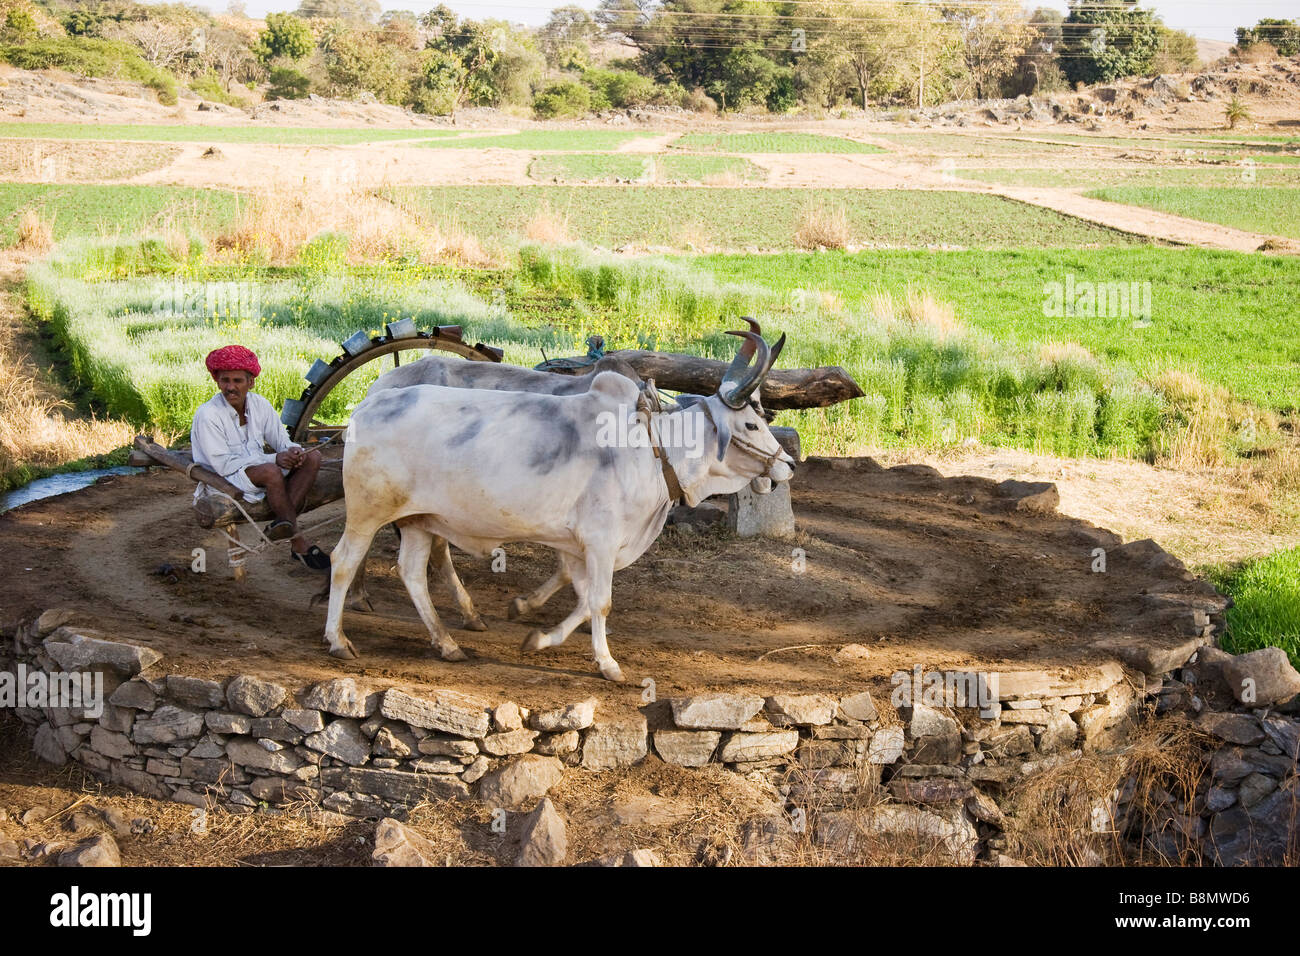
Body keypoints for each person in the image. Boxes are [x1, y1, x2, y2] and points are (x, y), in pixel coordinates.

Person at [190, 345, 329, 571]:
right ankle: (297, 541)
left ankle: (280, 524)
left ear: (251, 382)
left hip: (255, 471)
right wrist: (275, 459)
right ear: (217, 381)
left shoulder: (259, 405)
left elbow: (282, 440)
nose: (230, 387)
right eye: (225, 380)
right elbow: (223, 465)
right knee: (271, 472)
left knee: (313, 456)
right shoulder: (208, 415)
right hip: (223, 479)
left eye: (238, 381)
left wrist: (293, 451)